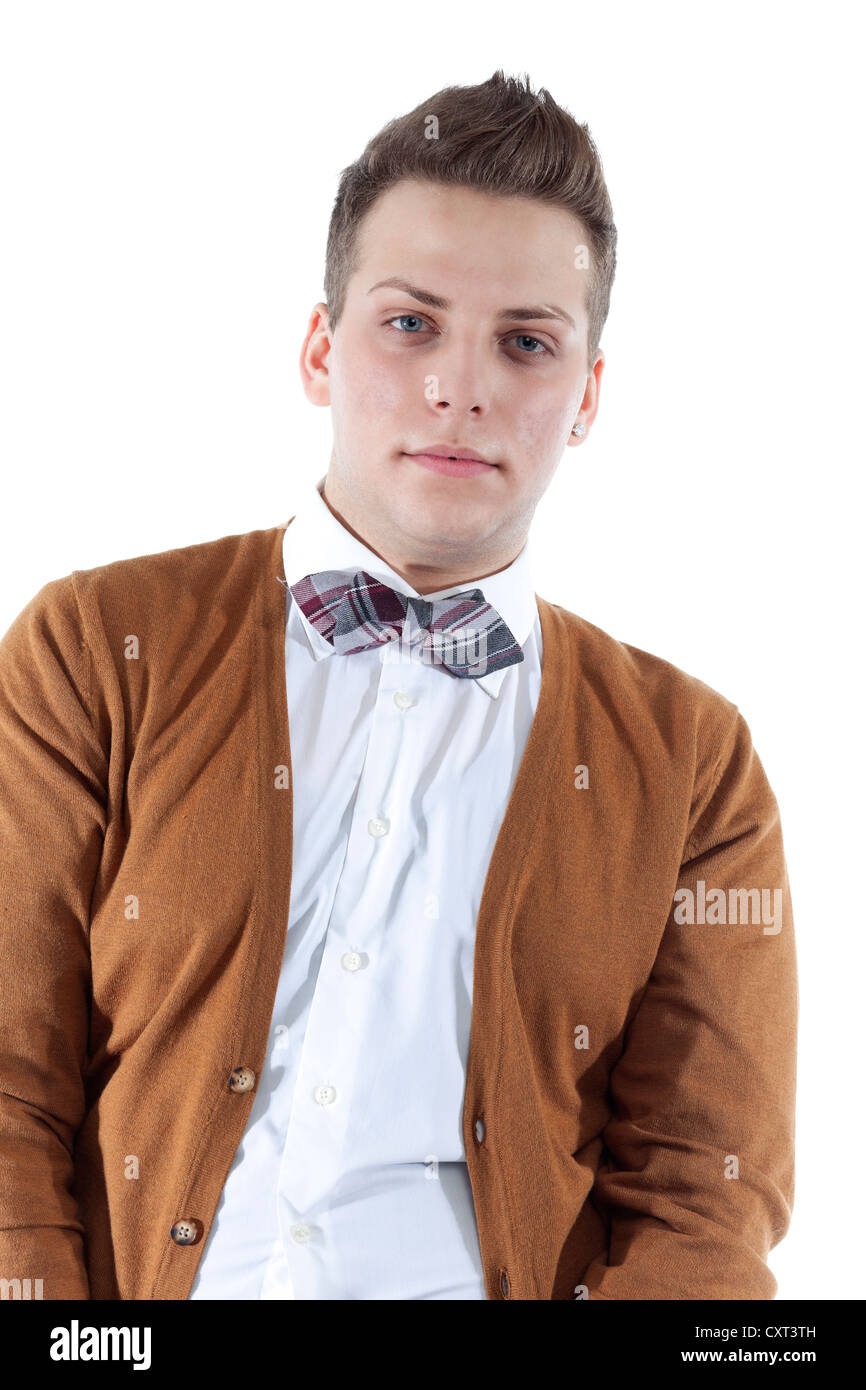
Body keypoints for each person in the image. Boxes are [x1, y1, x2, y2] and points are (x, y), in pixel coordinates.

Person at [0, 70, 797, 1302]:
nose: (458, 388)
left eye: (525, 342)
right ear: (319, 349)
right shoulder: (96, 647)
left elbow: (704, 1194)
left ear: (584, 398)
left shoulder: (694, 762)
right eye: (409, 323)